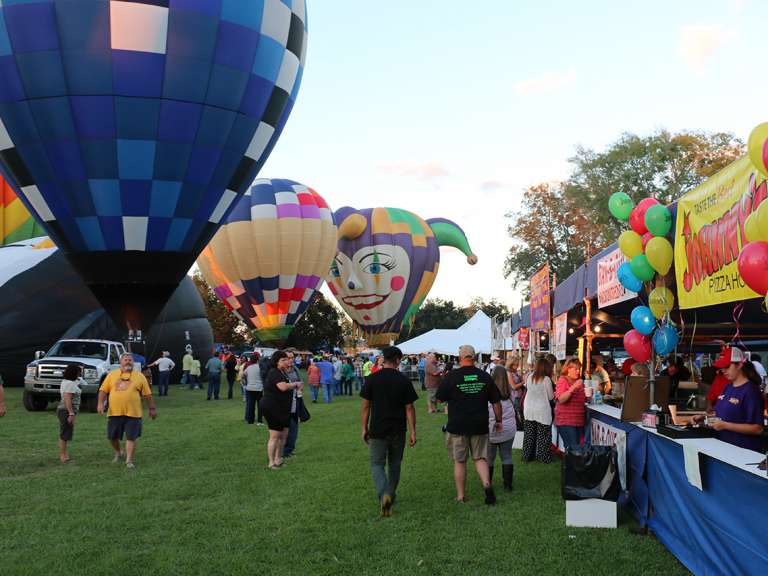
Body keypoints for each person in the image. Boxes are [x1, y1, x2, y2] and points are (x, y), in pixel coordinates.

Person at [436, 344, 501, 505]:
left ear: (460, 358)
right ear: (473, 357)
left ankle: (461, 496)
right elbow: (496, 402)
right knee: (479, 458)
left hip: (457, 425)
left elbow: (439, 399)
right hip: (479, 424)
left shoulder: (452, 376)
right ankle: (487, 485)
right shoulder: (484, 376)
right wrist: (499, 420)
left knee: (460, 461)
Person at [360, 346, 417, 517]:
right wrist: (413, 431)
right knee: (395, 464)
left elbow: (365, 406)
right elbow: (409, 408)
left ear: (383, 359)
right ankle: (390, 493)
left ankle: (384, 492)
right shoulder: (404, 380)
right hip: (398, 429)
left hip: (377, 428)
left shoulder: (372, 379)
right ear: (398, 360)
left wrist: (364, 427)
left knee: (377, 464)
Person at [694, 347, 764, 452]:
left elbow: (757, 429)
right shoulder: (728, 387)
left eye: (727, 366)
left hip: (743, 452)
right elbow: (721, 415)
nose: (723, 370)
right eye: (721, 368)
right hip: (723, 448)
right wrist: (704, 418)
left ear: (739, 365)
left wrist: (725, 425)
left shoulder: (751, 391)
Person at [97, 353, 157, 468]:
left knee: (131, 437)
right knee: (112, 437)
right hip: (114, 412)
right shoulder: (112, 375)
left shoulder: (140, 376)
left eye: (130, 360)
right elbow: (103, 390)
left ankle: (129, 461)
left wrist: (152, 408)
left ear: (133, 363)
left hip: (133, 413)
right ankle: (118, 452)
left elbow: (147, 394)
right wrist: (100, 403)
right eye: (126, 360)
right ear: (121, 362)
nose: (128, 361)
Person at [261, 351, 302, 469]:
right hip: (273, 407)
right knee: (275, 436)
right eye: (283, 360)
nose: (286, 361)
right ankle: (271, 462)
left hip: (283, 407)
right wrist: (295, 384)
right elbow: (283, 387)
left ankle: (278, 459)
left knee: (284, 435)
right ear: (277, 362)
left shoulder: (282, 372)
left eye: (286, 359)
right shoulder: (274, 372)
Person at [487, 365, 516, 491]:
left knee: (489, 458)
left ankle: (487, 483)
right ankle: (508, 485)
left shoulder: (487, 394)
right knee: (507, 456)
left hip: (492, 429)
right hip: (508, 429)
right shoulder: (511, 393)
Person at [522, 357, 554, 464]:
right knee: (543, 435)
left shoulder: (530, 377)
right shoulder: (546, 380)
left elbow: (527, 388)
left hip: (529, 408)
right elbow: (550, 397)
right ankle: (543, 457)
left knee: (529, 435)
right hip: (542, 410)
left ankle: (527, 456)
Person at [555, 357, 586, 453]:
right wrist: (574, 387)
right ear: (568, 369)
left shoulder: (579, 382)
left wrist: (589, 396)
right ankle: (571, 467)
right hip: (566, 421)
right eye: (575, 369)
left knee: (575, 448)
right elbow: (561, 399)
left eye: (579, 369)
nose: (578, 371)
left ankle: (570, 467)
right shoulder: (563, 380)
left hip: (578, 420)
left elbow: (580, 399)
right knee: (573, 449)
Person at [57, 365, 85, 463]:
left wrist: (79, 378)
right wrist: (71, 413)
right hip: (66, 410)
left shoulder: (68, 382)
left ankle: (64, 454)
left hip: (65, 410)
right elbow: (68, 399)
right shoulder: (70, 384)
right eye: (78, 372)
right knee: (65, 433)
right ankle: (63, 455)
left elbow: (84, 383)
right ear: (74, 373)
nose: (79, 374)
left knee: (66, 432)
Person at [282, 352, 304, 458]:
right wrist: (294, 385)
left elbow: (301, 381)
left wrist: (299, 387)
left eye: (292, 357)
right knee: (285, 428)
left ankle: (289, 450)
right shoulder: (280, 371)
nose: (291, 360)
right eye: (288, 358)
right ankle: (283, 451)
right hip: (284, 402)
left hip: (296, 399)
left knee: (294, 427)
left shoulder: (295, 369)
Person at [244, 353, 264, 425]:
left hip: (250, 388)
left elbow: (243, 374)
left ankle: (250, 420)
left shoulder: (248, 367)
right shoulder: (260, 367)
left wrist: (246, 382)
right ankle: (259, 420)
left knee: (250, 405)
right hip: (259, 388)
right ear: (258, 359)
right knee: (260, 405)